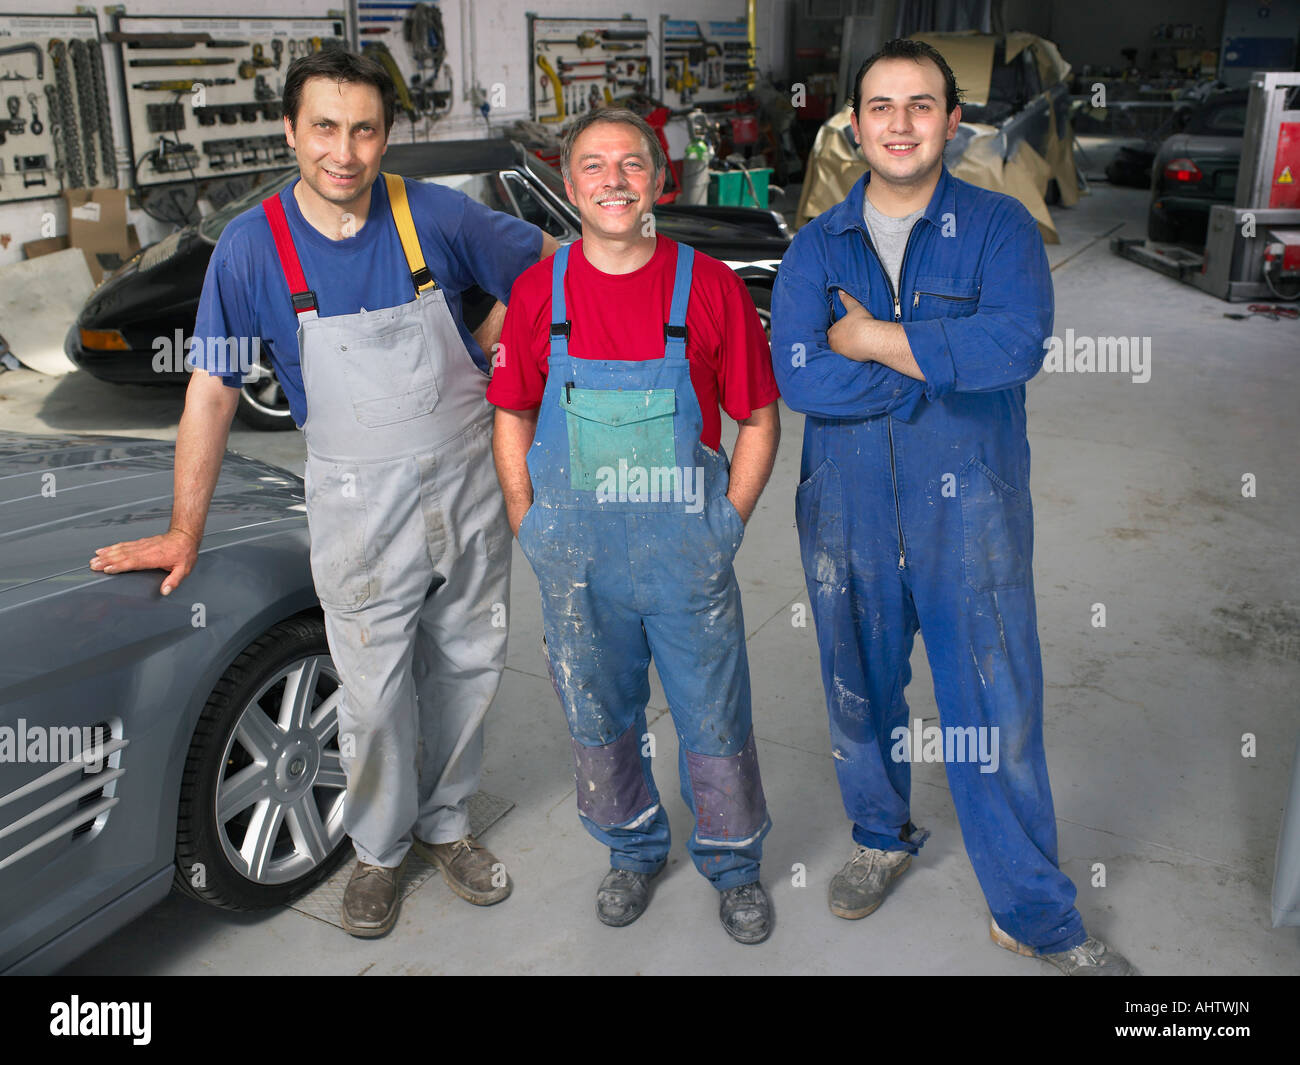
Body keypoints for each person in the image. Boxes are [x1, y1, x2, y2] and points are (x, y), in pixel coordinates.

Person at [90, 49, 557, 938]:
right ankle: (380, 848)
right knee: (374, 688)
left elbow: (554, 270)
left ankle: (447, 822)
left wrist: (505, 340)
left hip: (465, 482)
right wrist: (183, 527)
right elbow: (213, 389)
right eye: (324, 128)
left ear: (387, 133)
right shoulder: (248, 249)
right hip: (356, 500)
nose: (344, 152)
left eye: (365, 129)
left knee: (465, 660)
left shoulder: (438, 215)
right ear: (291, 131)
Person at [771, 38, 1136, 974]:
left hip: (968, 510)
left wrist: (870, 338)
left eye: (920, 106)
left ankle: (1031, 909)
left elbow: (1014, 346)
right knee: (860, 690)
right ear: (853, 125)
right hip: (845, 508)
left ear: (953, 121)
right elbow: (802, 374)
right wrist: (931, 363)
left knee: (996, 707)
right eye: (881, 107)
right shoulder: (816, 243)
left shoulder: (1001, 229)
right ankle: (881, 834)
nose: (899, 124)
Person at [490, 108, 782, 944]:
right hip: (576, 559)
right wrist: (528, 521)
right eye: (592, 166)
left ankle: (733, 863)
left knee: (714, 715)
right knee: (598, 712)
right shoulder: (538, 292)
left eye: (631, 165)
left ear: (660, 180)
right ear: (569, 183)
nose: (612, 181)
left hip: (686, 552)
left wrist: (726, 523)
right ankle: (631, 847)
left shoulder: (710, 286)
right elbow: (510, 412)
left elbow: (759, 417)